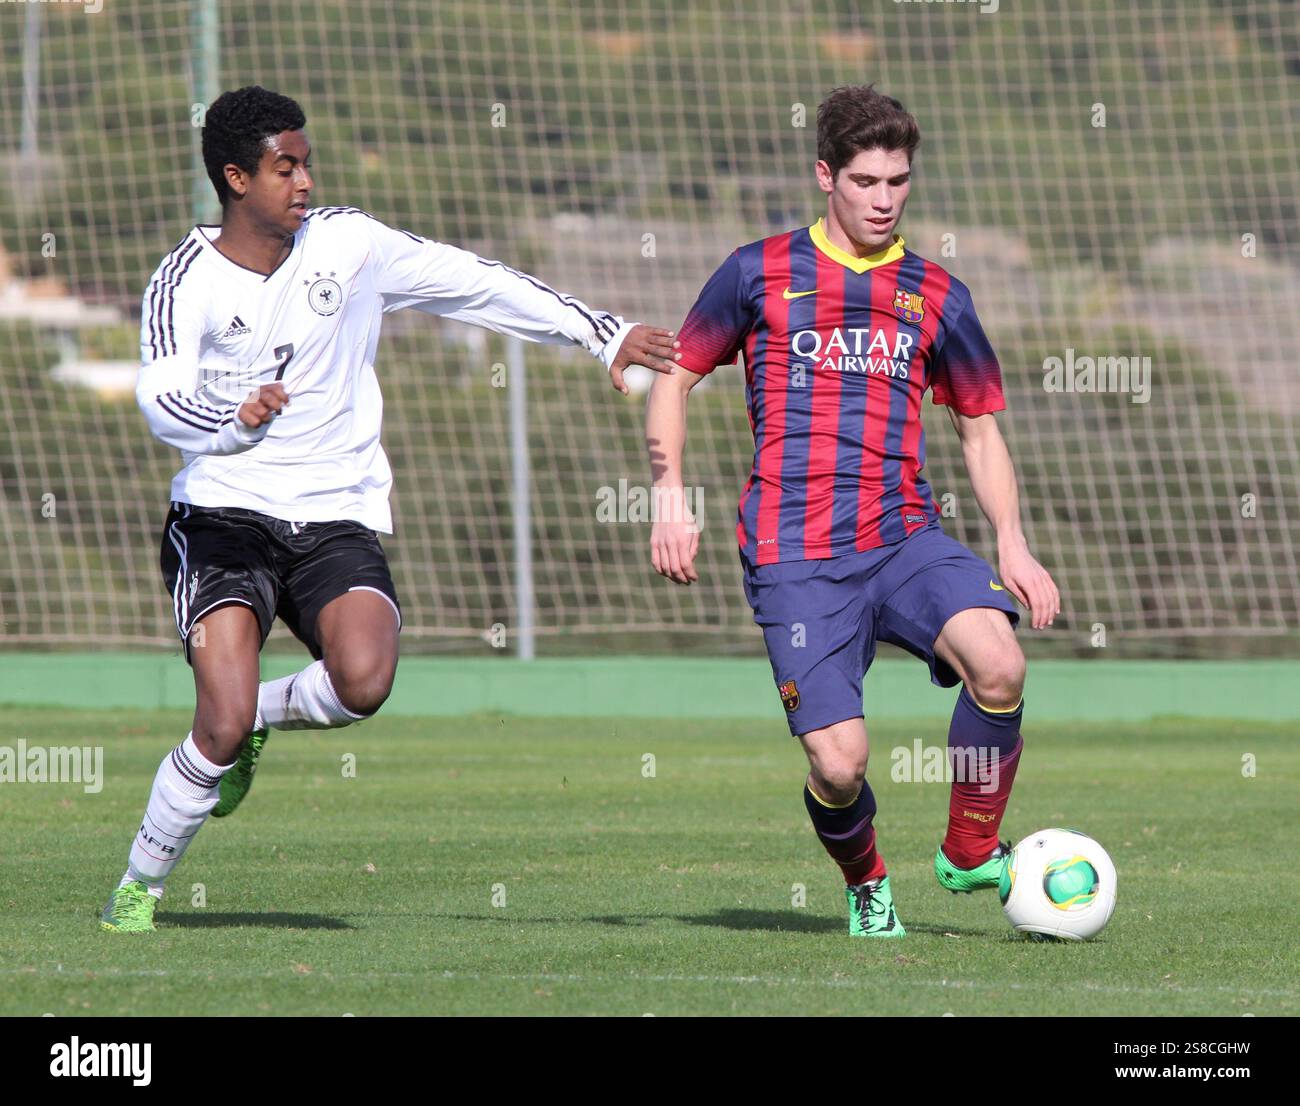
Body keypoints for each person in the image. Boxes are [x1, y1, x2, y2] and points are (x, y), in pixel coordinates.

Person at [102, 84, 677, 932]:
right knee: (215, 724)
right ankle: (140, 886)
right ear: (234, 177)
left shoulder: (350, 243)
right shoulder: (183, 280)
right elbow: (159, 400)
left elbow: (472, 283)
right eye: (282, 167)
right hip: (223, 515)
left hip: (335, 515)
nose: (303, 181)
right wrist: (231, 424)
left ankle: (264, 714)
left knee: (364, 682)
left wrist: (600, 330)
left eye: (306, 163)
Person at [646, 85, 1060, 937]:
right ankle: (866, 878)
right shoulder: (757, 271)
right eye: (866, 180)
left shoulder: (937, 292)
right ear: (824, 175)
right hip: (795, 554)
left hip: (904, 535)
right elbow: (675, 376)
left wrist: (1012, 545)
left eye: (898, 181)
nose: (883, 199)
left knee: (1001, 662)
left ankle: (970, 851)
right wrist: (668, 496)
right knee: (840, 766)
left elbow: (980, 430)